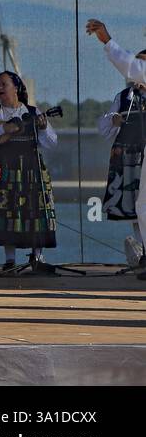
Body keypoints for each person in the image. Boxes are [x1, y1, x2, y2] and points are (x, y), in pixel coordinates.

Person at [0, 71, 58, 273]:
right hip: (6, 165)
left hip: (31, 166)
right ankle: (9, 259)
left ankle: (38, 256)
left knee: (35, 210)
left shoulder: (33, 112)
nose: (0, 88)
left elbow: (51, 142)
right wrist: (4, 129)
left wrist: (44, 129)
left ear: (16, 87)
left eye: (4, 84)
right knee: (7, 211)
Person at [87, 19, 146, 279]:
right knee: (141, 204)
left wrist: (107, 39)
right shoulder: (125, 97)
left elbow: (129, 65)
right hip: (131, 154)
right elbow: (130, 65)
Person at [95, 56, 146, 266]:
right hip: (127, 157)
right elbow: (104, 126)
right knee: (133, 207)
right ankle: (144, 252)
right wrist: (114, 120)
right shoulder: (125, 96)